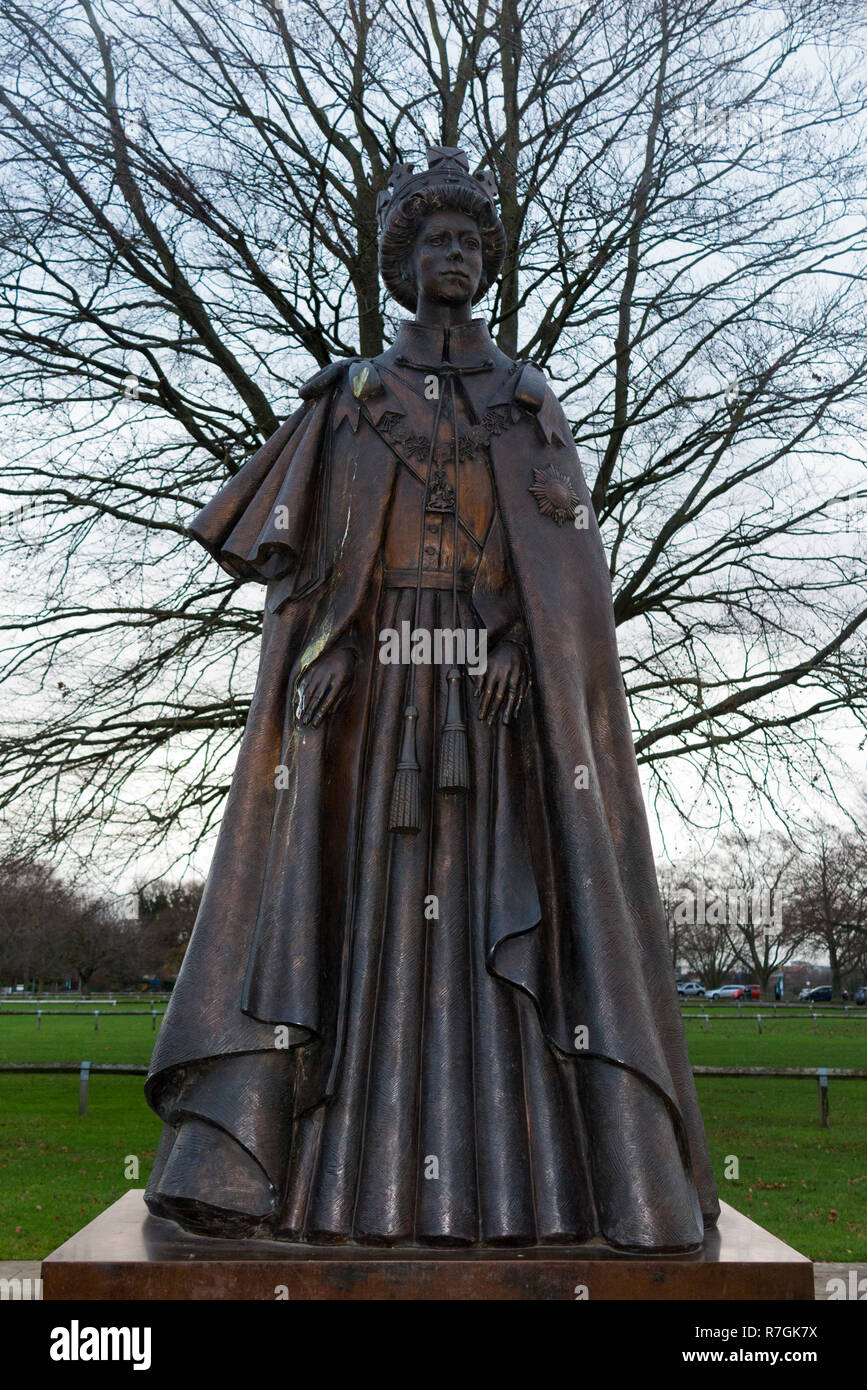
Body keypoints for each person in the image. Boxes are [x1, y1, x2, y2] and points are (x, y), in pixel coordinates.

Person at [144, 147, 720, 1252]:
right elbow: (321, 556)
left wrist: (517, 638)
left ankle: (544, 1189)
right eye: (432, 241)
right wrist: (332, 644)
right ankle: (308, 1179)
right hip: (377, 706)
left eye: (469, 241)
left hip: (497, 712)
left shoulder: (526, 400)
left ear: (486, 263)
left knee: (507, 907)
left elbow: (564, 575)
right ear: (402, 265)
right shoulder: (355, 396)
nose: (452, 255)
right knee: (358, 914)